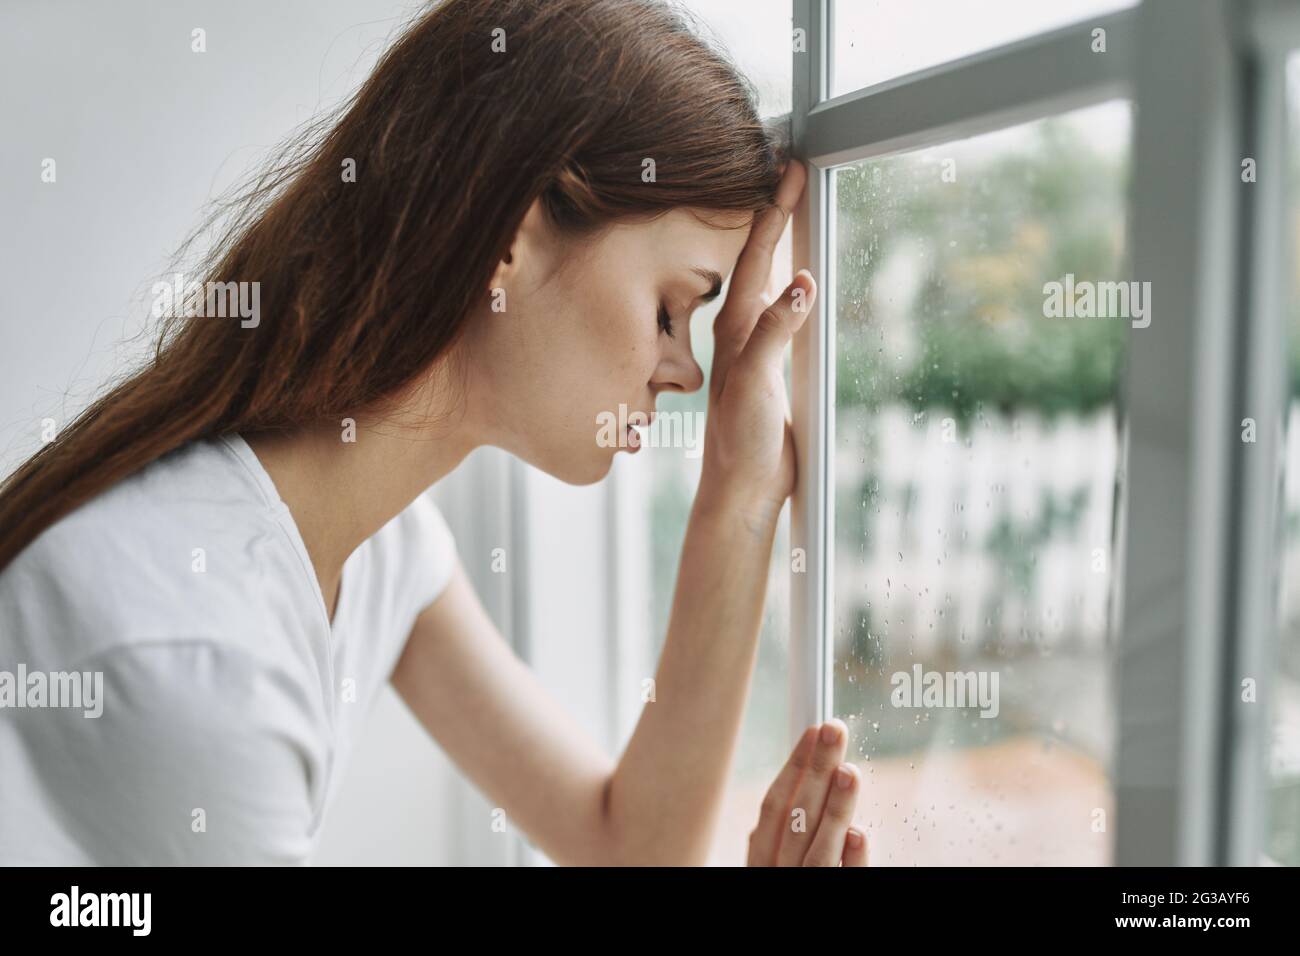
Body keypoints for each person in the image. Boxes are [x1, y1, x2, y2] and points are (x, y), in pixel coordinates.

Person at [0, 0, 865, 866]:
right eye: (672, 309)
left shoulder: (372, 544)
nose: (685, 371)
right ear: (507, 240)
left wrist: (741, 486)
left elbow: (629, 842)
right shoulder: (196, 653)